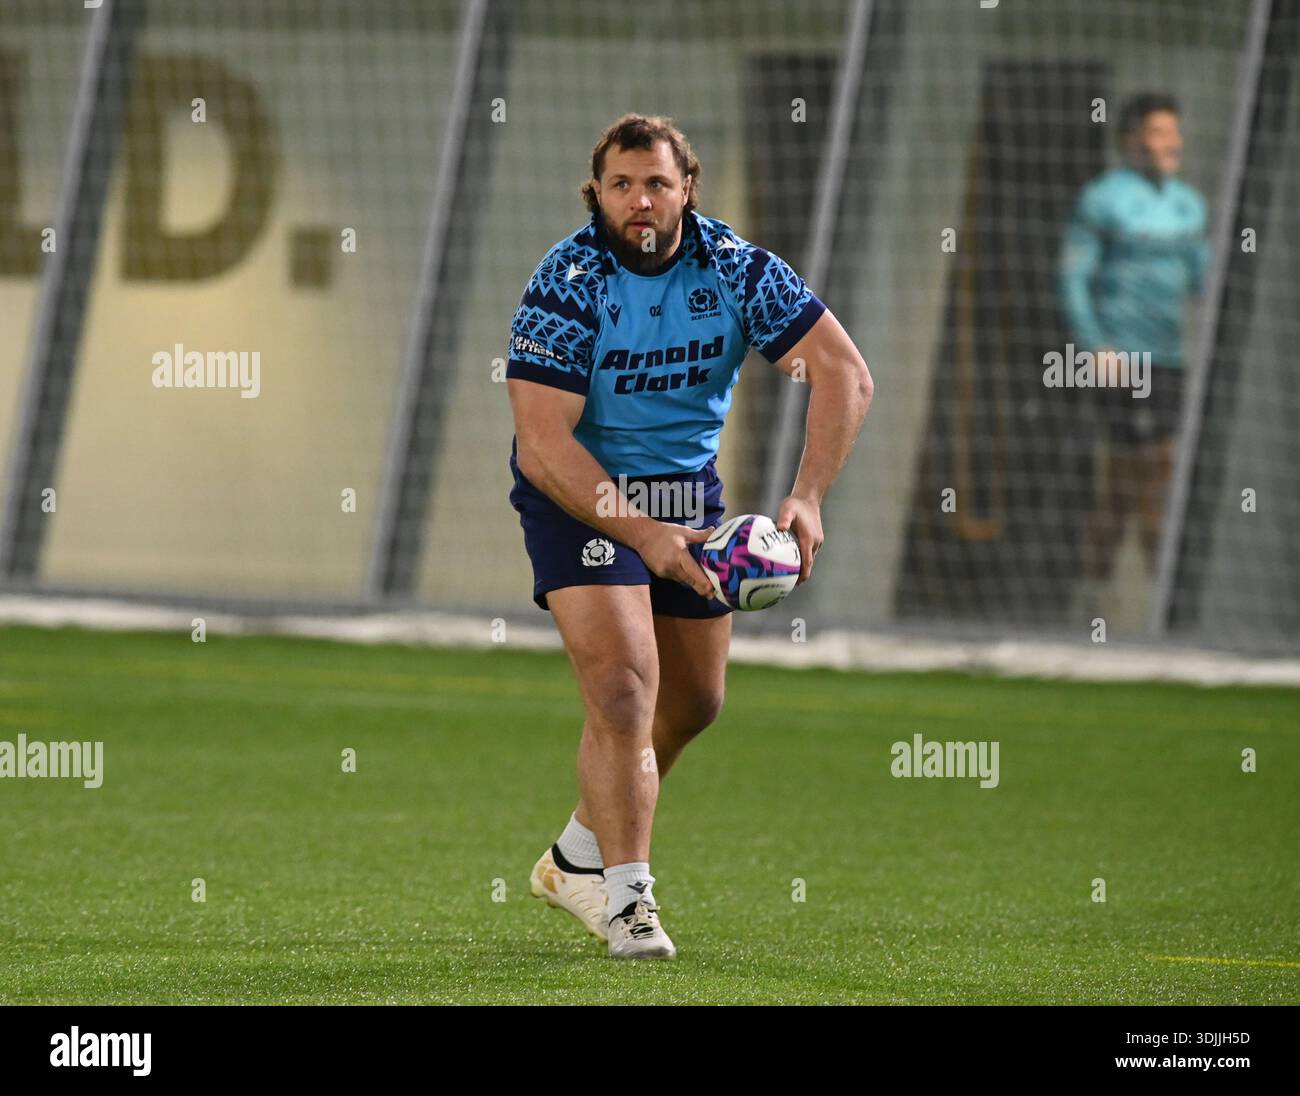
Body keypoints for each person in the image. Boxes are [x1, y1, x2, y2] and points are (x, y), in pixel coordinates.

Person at [506, 114, 872, 959]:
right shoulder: (567, 281)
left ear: (687, 189)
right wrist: (644, 535)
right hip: (579, 497)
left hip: (689, 496)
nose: (640, 201)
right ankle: (628, 902)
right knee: (627, 688)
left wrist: (808, 496)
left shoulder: (737, 268)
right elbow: (543, 443)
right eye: (622, 184)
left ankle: (576, 857)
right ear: (596, 191)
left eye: (657, 184)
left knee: (696, 703)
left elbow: (844, 372)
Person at [1059, 93, 1210, 612]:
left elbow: (1204, 278)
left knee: (1125, 486)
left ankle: (1092, 599)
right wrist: (1095, 345)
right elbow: (1074, 276)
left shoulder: (1190, 205)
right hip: (1121, 361)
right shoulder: (1103, 199)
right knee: (1157, 472)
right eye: (1161, 133)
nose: (1173, 143)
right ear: (1133, 140)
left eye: (1175, 132)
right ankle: (1165, 607)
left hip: (1171, 361)